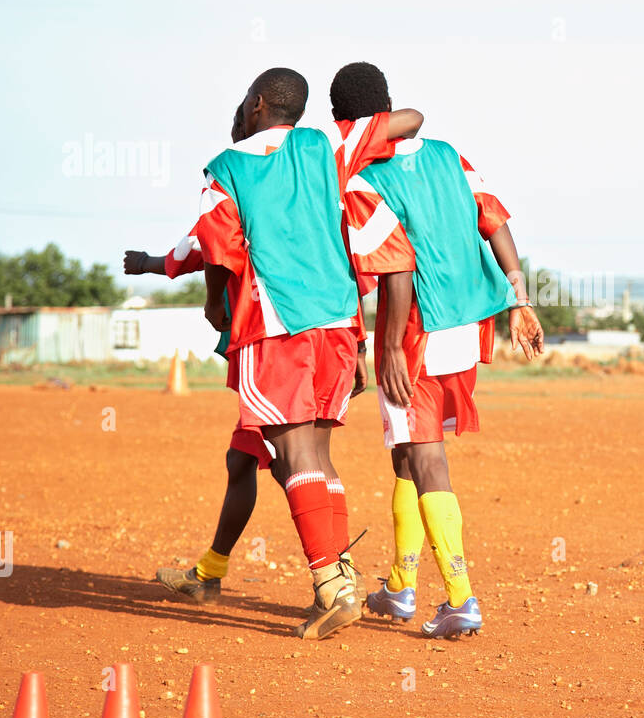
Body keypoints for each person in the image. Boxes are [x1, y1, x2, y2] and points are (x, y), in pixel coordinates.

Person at [334, 61, 544, 638]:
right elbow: (494, 221)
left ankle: (460, 597)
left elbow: (396, 269)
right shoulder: (451, 154)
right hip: (469, 322)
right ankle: (402, 586)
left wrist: (392, 350)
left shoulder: (361, 180)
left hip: (415, 331)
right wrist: (520, 299)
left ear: (344, 121)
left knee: (424, 455)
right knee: (406, 450)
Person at [193, 67, 402, 640]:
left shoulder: (228, 167)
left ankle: (332, 589)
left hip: (277, 321)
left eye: (241, 102)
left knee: (291, 454)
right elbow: (402, 122)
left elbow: (219, 244)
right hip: (338, 321)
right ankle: (343, 574)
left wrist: (214, 303)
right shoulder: (323, 145)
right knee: (317, 454)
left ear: (258, 104)